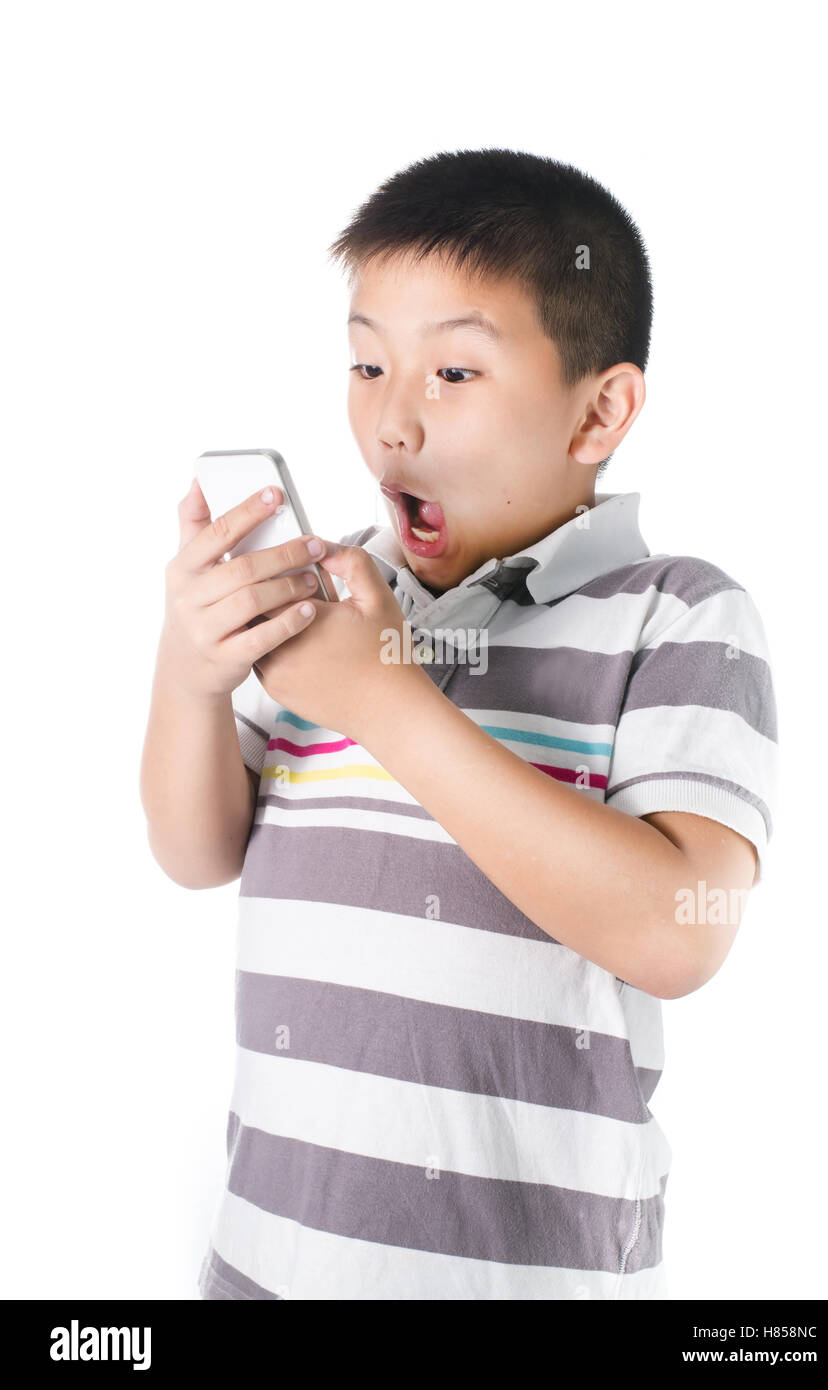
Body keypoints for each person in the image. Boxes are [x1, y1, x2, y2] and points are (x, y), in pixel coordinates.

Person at [140, 148, 778, 1300]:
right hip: (266, 1264)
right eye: (368, 360)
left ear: (601, 410)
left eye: (455, 373)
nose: (390, 420)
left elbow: (679, 932)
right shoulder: (325, 602)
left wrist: (385, 696)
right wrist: (187, 677)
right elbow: (197, 851)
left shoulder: (677, 615)